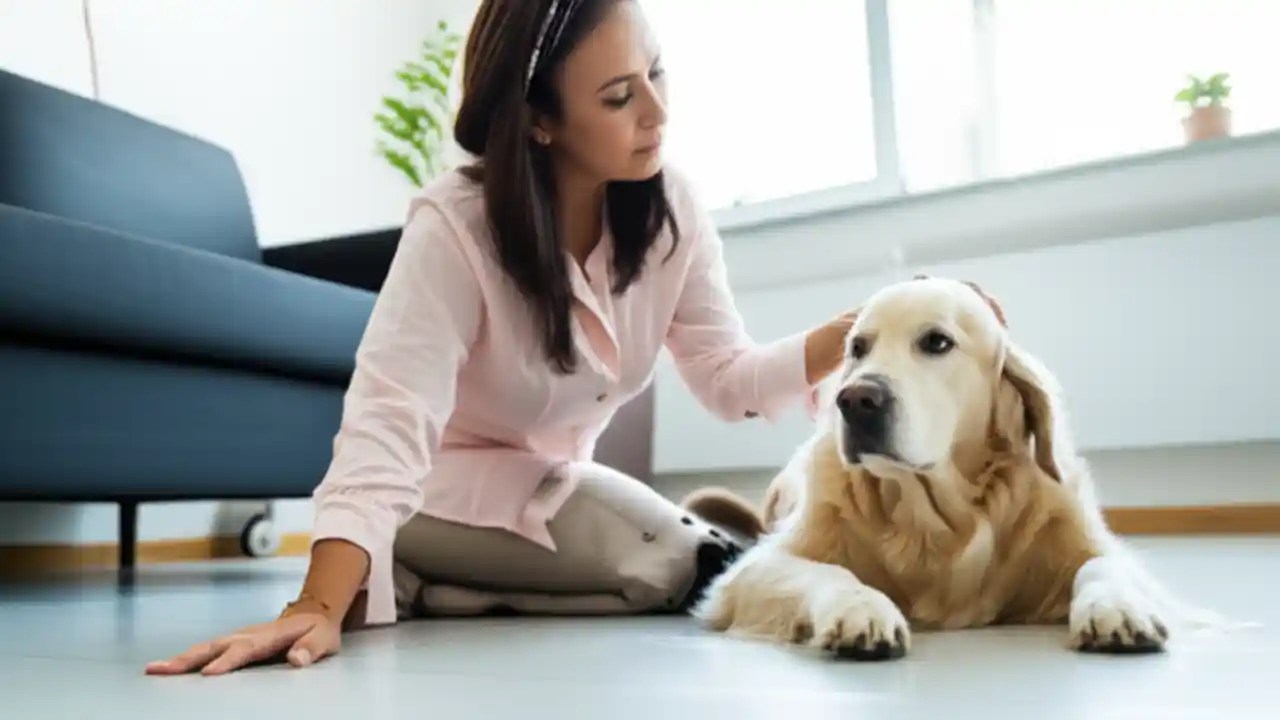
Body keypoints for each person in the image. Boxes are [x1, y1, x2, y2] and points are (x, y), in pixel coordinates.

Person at [145, 0, 870, 677]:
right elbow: (387, 419)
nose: (656, 111)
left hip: (551, 490)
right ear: (539, 122)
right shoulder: (456, 229)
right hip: (432, 497)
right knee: (683, 562)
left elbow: (726, 376)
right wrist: (315, 605)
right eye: (619, 97)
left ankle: (449, 592)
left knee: (656, 547)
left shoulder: (669, 209)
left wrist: (853, 334)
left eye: (656, 72)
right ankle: (415, 567)